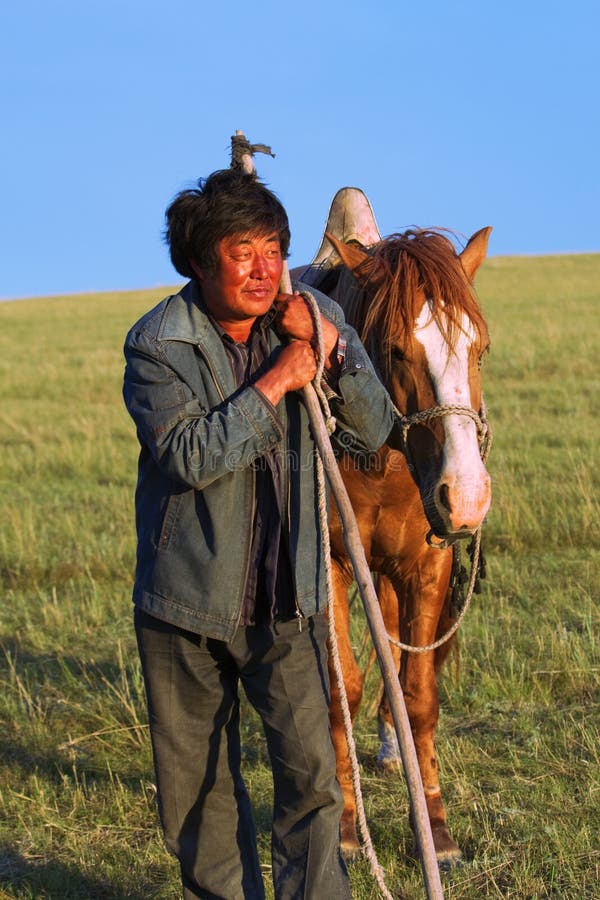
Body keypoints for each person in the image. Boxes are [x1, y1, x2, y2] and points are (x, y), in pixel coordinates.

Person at [122, 168, 394, 899]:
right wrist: (275, 381)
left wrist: (335, 350)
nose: (265, 269)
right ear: (199, 260)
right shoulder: (158, 345)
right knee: (200, 798)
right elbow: (188, 456)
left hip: (290, 601)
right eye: (243, 252)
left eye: (274, 249)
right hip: (187, 607)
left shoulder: (302, 317)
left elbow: (375, 432)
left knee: (312, 785)